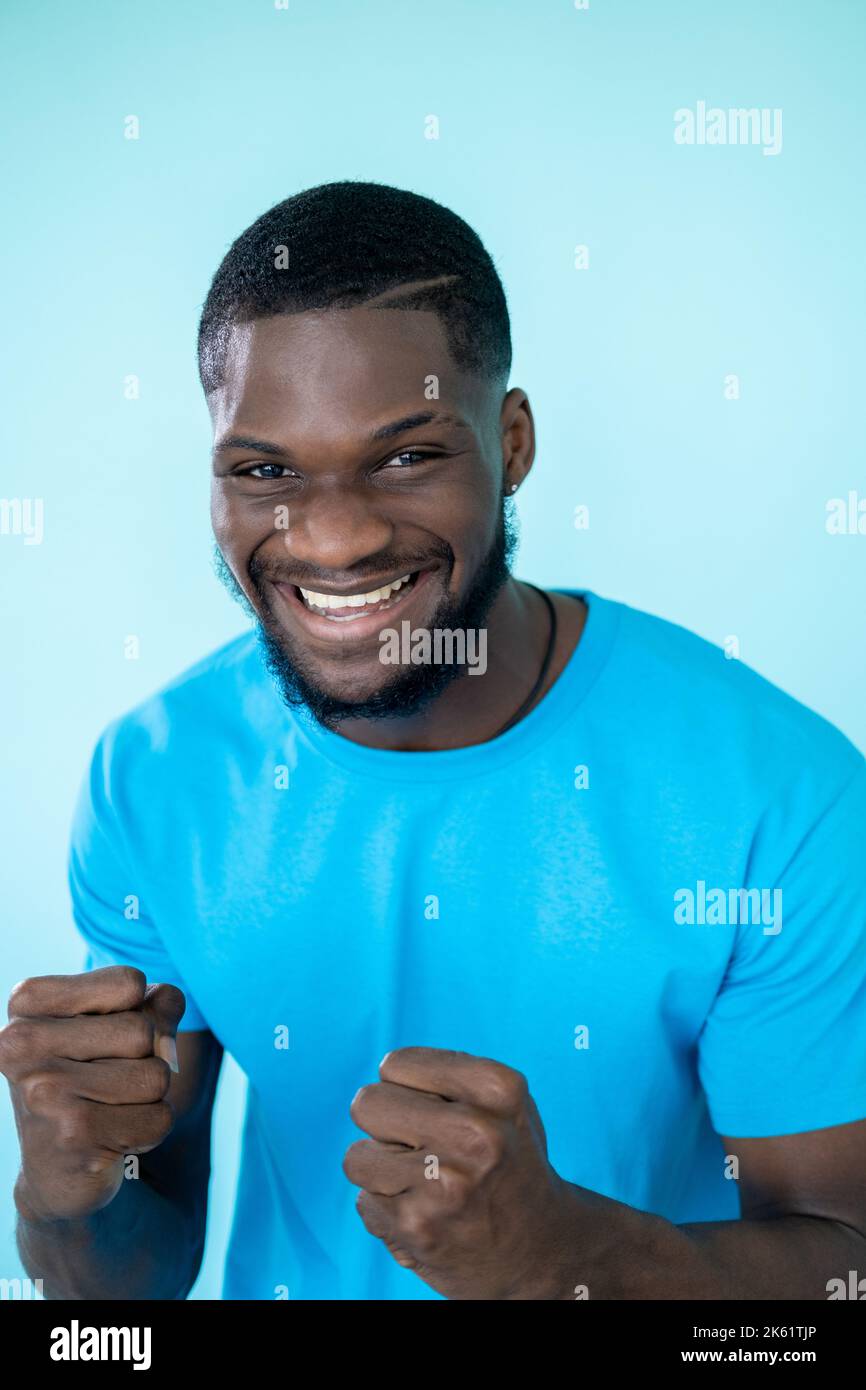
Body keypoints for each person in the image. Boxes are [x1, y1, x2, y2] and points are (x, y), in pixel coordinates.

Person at [4, 181, 866, 1301]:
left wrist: (568, 1258)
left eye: (406, 456)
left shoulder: (776, 797)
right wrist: (63, 1190)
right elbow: (128, 1293)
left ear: (509, 445)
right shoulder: (153, 780)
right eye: (263, 471)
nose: (334, 535)